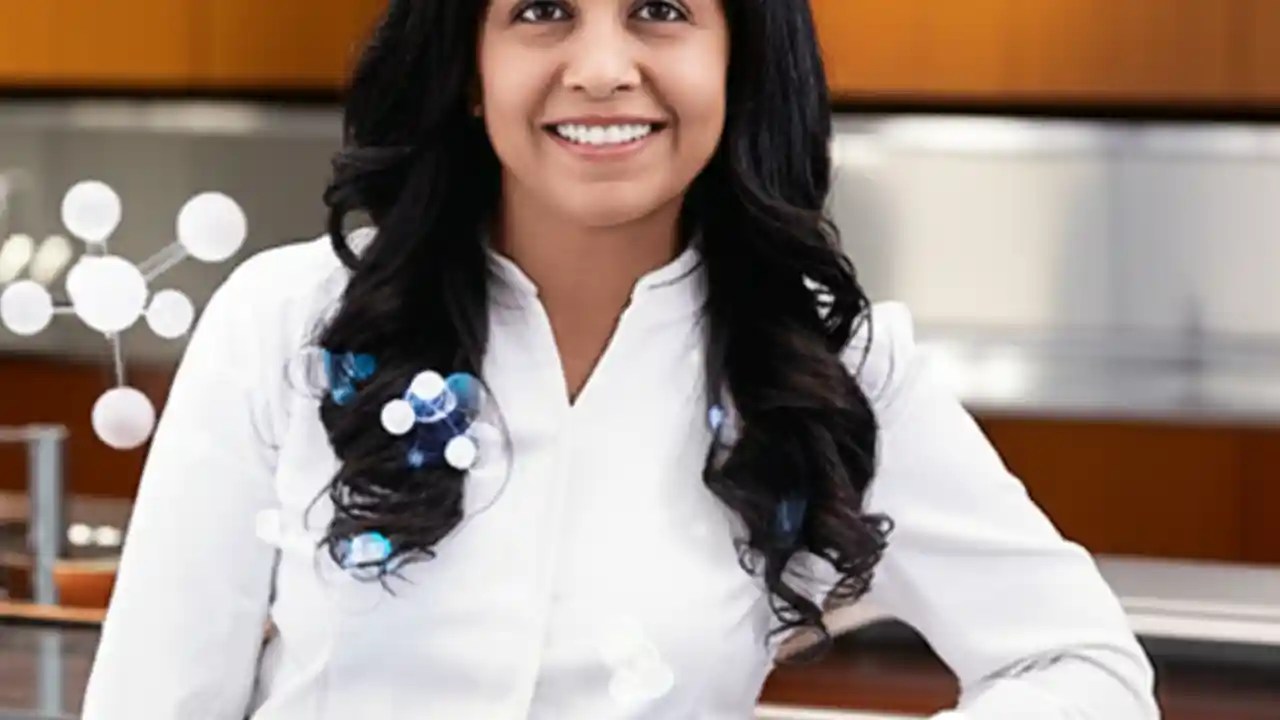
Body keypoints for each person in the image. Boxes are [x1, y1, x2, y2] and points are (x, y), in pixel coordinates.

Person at [82, 0, 1160, 718]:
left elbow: (1081, 669)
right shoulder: (286, 321)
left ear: (740, 54)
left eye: (661, 9)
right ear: (467, 63)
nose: (601, 69)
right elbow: (152, 701)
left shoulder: (831, 365)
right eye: (541, 11)